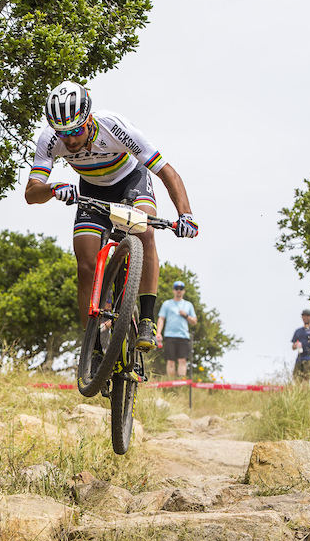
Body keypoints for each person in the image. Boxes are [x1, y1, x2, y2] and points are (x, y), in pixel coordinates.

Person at [24, 80, 198, 351]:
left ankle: (147, 320)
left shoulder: (114, 127)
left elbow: (167, 172)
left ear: (89, 119)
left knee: (146, 231)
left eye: (76, 130)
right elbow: (31, 193)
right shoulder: (50, 139)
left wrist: (185, 215)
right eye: (63, 133)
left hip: (131, 182)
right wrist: (53, 188)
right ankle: (92, 347)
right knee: (85, 265)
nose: (69, 139)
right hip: (91, 190)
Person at [155, 280, 198, 378]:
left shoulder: (188, 305)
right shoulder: (167, 304)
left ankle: (181, 382)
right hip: (170, 335)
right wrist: (158, 333)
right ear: (173, 290)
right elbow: (161, 318)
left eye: (181, 289)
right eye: (176, 288)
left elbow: (194, 321)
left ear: (184, 291)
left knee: (182, 360)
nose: (179, 290)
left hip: (183, 336)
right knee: (170, 360)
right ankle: (170, 381)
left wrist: (186, 315)